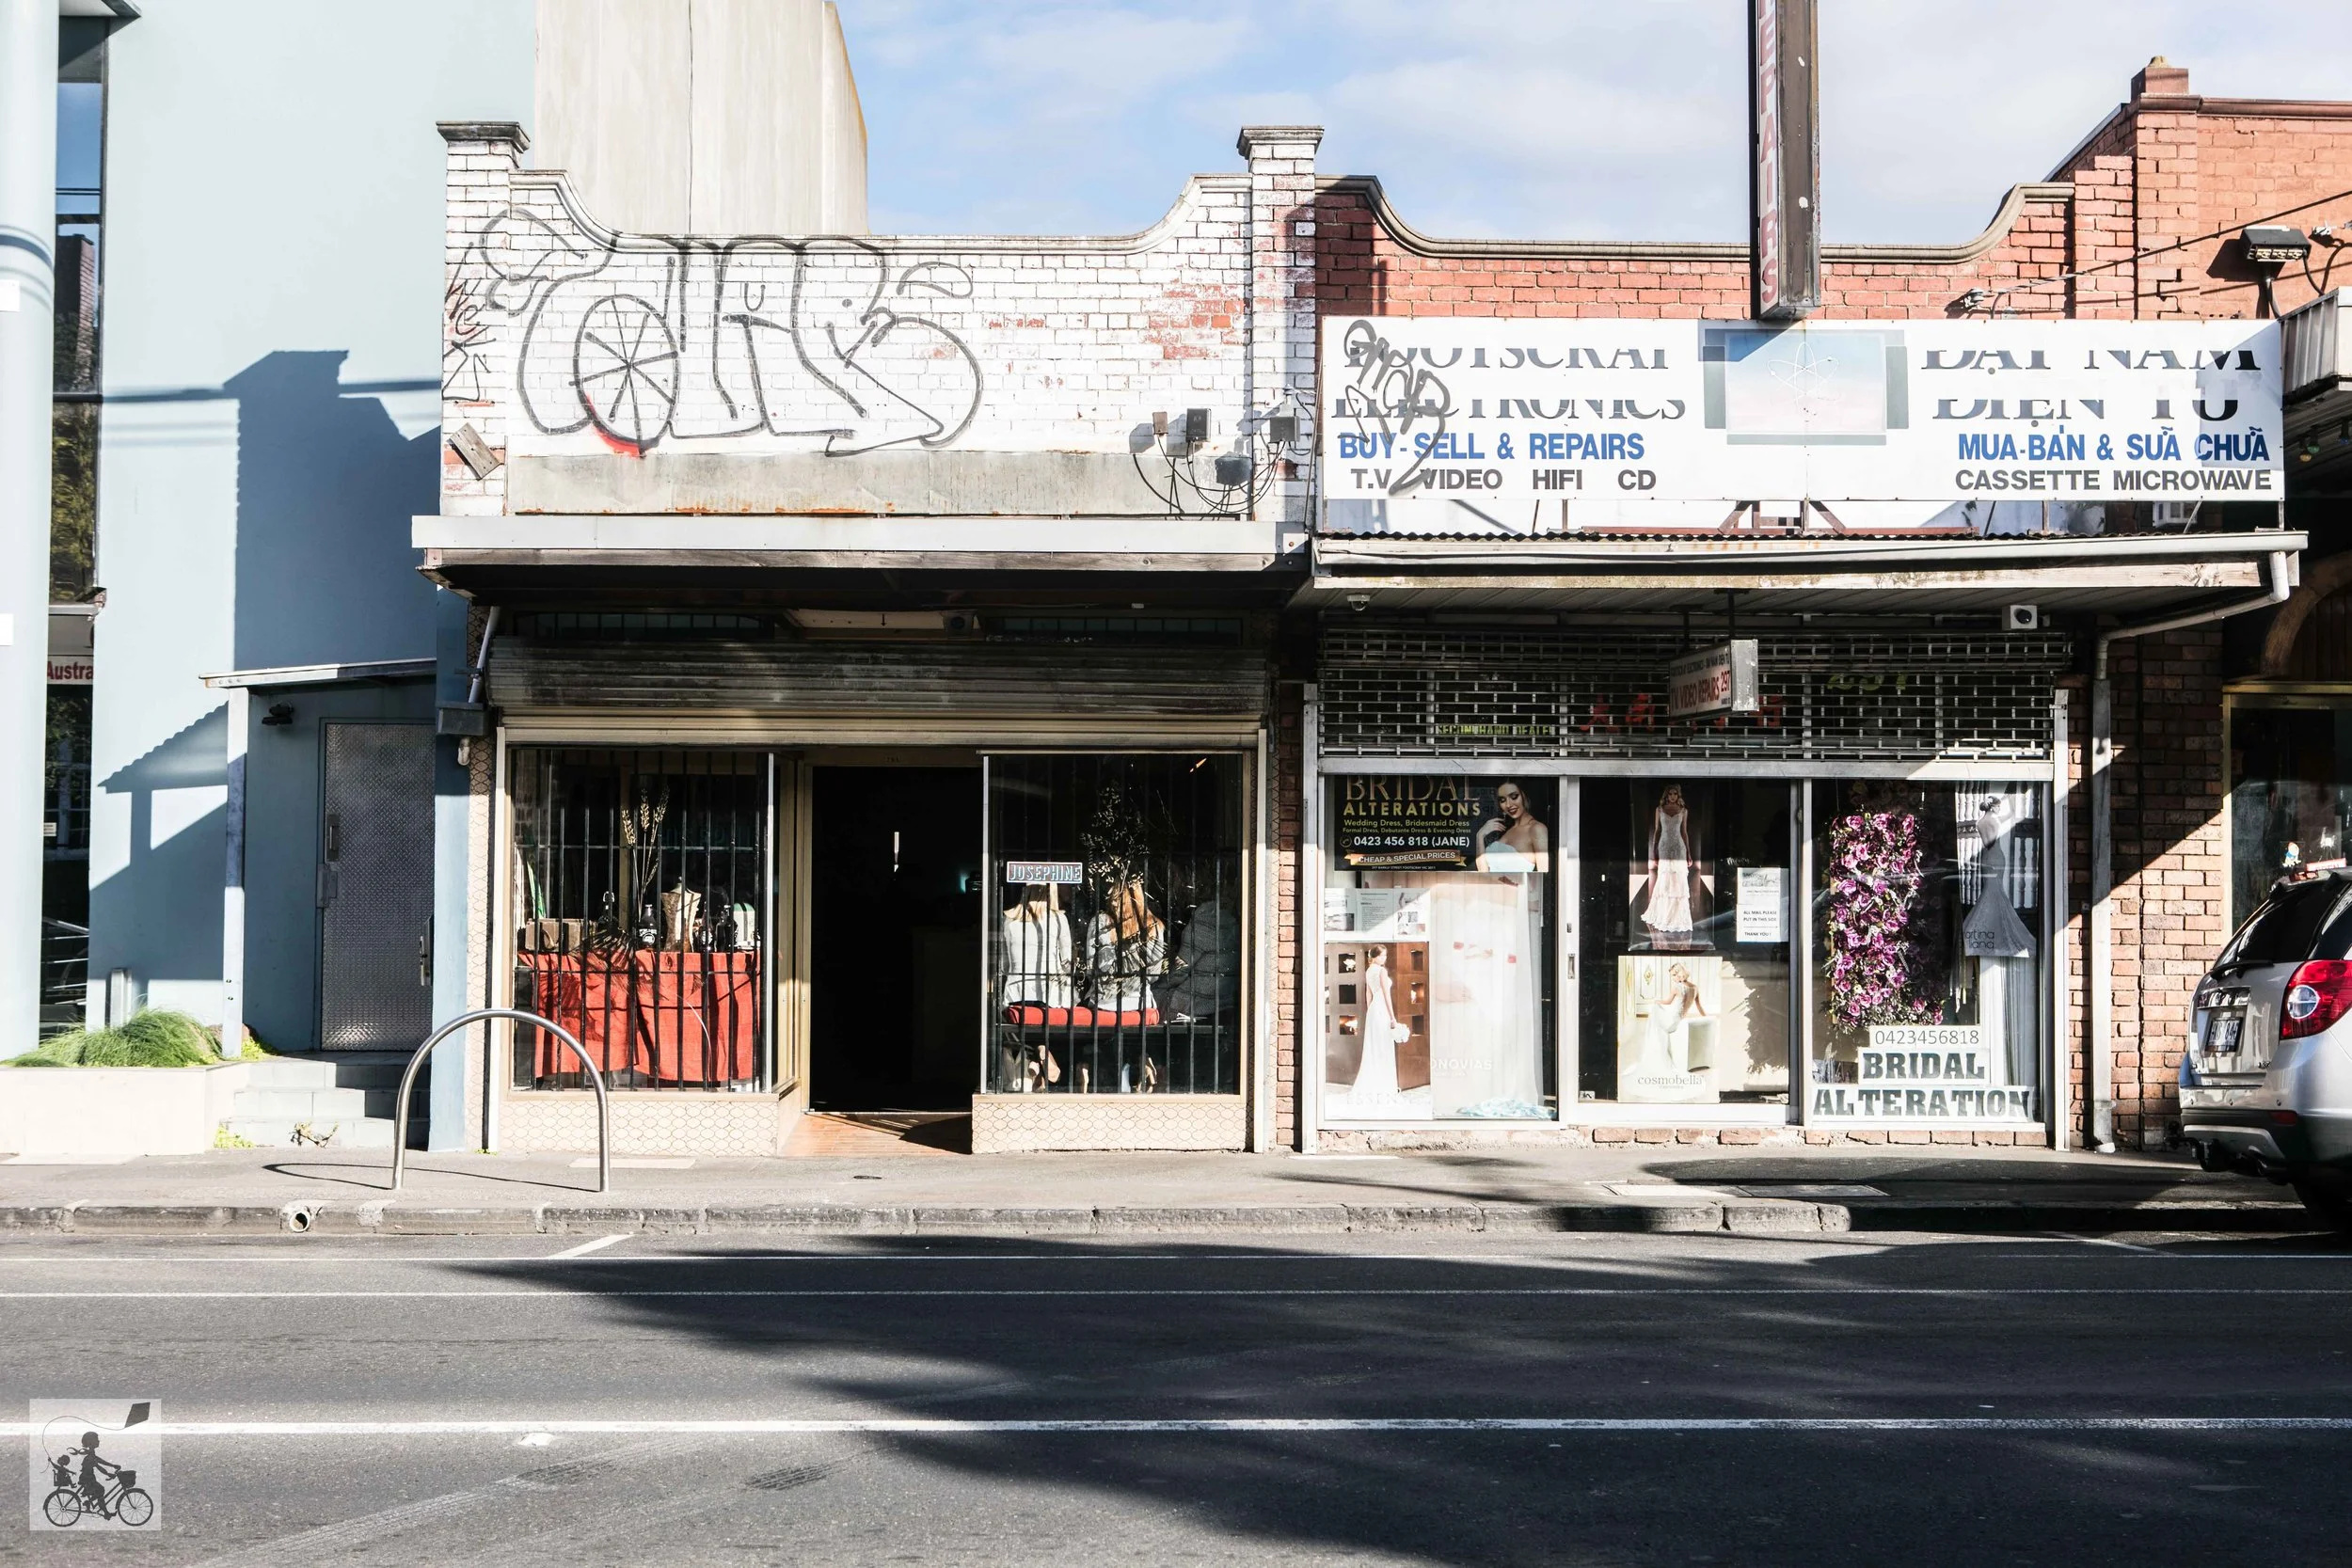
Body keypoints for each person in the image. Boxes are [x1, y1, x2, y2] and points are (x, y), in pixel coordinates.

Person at [1084, 876, 1166, 1017]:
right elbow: (1154, 974)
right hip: (1140, 1003)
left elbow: (1091, 970)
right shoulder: (1154, 925)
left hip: (1105, 1003)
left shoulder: (1100, 922)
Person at [1643, 784, 1696, 943]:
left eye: (1675, 793)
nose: (1673, 796)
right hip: (1664, 845)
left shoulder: (1684, 811)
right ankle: (1663, 915)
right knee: (1665, 882)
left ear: (1678, 795)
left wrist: (1688, 852)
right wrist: (1654, 852)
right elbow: (1657, 830)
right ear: (1666, 795)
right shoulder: (1659, 810)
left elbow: (1684, 832)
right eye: (1670, 793)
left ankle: (1677, 918)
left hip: (1678, 846)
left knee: (1678, 882)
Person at [1474, 781, 1550, 873]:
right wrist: (1480, 835)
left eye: (1514, 797)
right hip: (1490, 886)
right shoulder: (1505, 828)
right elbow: (1483, 872)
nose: (1508, 805)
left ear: (1524, 795)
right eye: (1502, 800)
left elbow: (1543, 875)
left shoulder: (1536, 829)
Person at [73, 1433, 119, 1511]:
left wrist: (112, 1465)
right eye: (96, 1439)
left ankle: (105, 1512)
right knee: (100, 1490)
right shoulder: (90, 1455)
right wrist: (108, 1473)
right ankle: (91, 1504)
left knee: (100, 1491)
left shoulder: (91, 1453)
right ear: (90, 1442)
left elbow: (100, 1460)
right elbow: (98, 1466)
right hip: (87, 1478)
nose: (99, 1441)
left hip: (89, 1477)